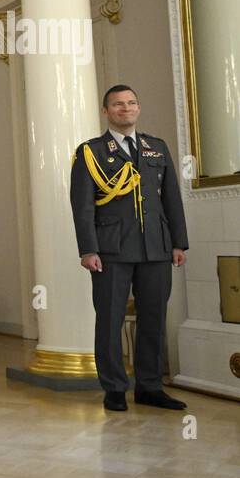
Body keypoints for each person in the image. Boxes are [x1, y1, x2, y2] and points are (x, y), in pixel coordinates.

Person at [70, 84, 188, 412]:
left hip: (156, 247)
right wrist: (88, 249)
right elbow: (82, 206)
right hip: (111, 250)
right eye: (118, 104)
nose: (126, 109)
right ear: (106, 111)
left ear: (138, 107)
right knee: (110, 318)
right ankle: (115, 388)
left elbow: (171, 200)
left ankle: (149, 386)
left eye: (132, 103)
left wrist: (178, 242)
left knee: (153, 317)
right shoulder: (90, 152)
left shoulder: (157, 148)